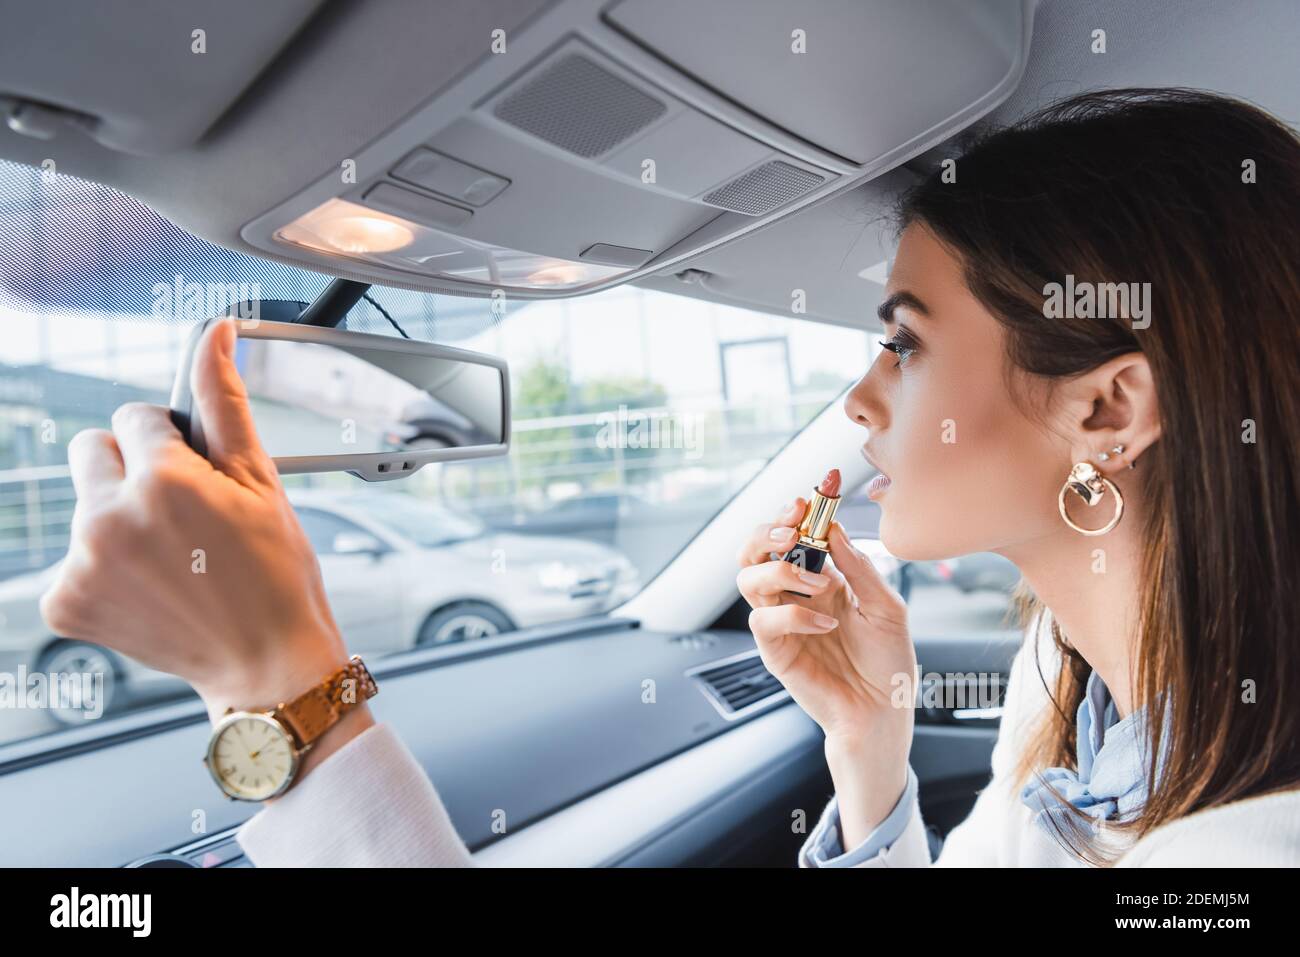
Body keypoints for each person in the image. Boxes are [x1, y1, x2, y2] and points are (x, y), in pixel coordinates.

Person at [40, 89, 1300, 867]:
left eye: (905, 341)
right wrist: (868, 749)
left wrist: (278, 685)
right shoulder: (1077, 702)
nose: (859, 401)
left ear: (1104, 408)